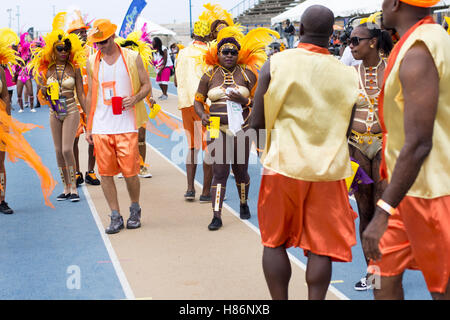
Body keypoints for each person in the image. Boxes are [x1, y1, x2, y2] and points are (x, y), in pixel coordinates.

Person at [250, 5, 359, 300]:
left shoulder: (275, 63)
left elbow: (257, 122)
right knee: (321, 247)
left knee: (274, 243)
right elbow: (348, 129)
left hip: (282, 168)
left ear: (298, 30)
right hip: (328, 171)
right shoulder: (348, 74)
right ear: (332, 34)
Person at [362, 0, 450, 300]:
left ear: (395, 3)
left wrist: (382, 210)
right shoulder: (424, 40)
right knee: (378, 272)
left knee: (442, 289)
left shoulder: (420, 51)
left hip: (433, 192)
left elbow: (419, 142)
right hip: (405, 189)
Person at [195, 25, 278, 231]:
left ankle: (243, 202)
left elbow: (261, 101)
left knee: (240, 171)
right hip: (215, 126)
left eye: (234, 52)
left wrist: (244, 100)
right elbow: (197, 101)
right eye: (226, 52)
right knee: (219, 172)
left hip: (242, 127)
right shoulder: (208, 75)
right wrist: (202, 114)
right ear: (218, 54)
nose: (230, 55)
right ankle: (216, 214)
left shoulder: (248, 74)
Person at [85, 19, 151, 234]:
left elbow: (147, 85)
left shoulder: (132, 57)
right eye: (97, 43)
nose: (100, 46)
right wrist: (88, 126)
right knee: (105, 174)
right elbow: (90, 95)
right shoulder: (92, 61)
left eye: (103, 41)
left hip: (127, 125)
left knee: (131, 173)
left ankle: (135, 208)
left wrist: (135, 98)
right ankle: (115, 215)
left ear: (113, 36)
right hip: (102, 126)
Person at [347, 22, 393, 291]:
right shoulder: (349, 74)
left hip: (385, 146)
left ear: (373, 42)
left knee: (382, 210)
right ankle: (372, 273)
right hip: (357, 147)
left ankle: (388, 271)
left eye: (356, 40)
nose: (350, 46)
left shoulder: (393, 69)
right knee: (364, 210)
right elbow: (342, 113)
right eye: (349, 41)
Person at [30, 28, 87, 202]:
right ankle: (66, 187)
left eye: (66, 49)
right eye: (60, 49)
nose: (63, 52)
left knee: (67, 149)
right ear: (53, 50)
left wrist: (89, 116)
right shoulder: (47, 70)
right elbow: (43, 97)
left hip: (71, 110)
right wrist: (44, 90)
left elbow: (81, 94)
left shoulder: (74, 68)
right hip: (54, 112)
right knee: (57, 151)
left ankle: (75, 188)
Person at [0, 34, 57, 211]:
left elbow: (5, 99)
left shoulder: (0, 70)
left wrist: (7, 122)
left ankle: (1, 199)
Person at [174, 20, 213, 202]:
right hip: (208, 106)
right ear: (207, 36)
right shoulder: (210, 53)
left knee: (192, 147)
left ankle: (190, 189)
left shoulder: (182, 53)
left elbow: (176, 82)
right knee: (211, 148)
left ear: (193, 34)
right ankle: (206, 192)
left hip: (186, 105)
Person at [67, 11, 101, 188]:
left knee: (93, 138)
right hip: (72, 103)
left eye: (83, 31)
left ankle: (91, 171)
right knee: (73, 139)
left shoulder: (93, 52)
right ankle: (77, 172)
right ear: (70, 34)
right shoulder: (67, 55)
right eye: (78, 31)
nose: (81, 33)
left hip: (91, 102)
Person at [116, 30, 156, 179]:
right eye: (127, 48)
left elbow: (147, 84)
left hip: (138, 104)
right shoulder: (117, 65)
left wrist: (150, 99)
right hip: (122, 106)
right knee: (123, 137)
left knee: (140, 137)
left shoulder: (141, 63)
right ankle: (124, 167)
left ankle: (141, 166)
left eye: (133, 47)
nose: (130, 50)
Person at [16, 33, 36, 113]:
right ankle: (21, 108)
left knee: (31, 92)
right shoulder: (18, 57)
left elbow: (32, 66)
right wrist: (20, 67)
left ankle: (31, 107)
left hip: (27, 77)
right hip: (20, 77)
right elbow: (15, 66)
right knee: (18, 94)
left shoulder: (29, 58)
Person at [152, 37, 173, 101]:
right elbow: (155, 59)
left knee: (164, 81)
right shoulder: (154, 50)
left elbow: (165, 59)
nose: (152, 43)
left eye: (153, 42)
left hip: (166, 66)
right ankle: (164, 93)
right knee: (159, 81)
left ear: (157, 42)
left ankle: (165, 94)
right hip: (159, 67)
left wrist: (161, 69)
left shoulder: (163, 48)